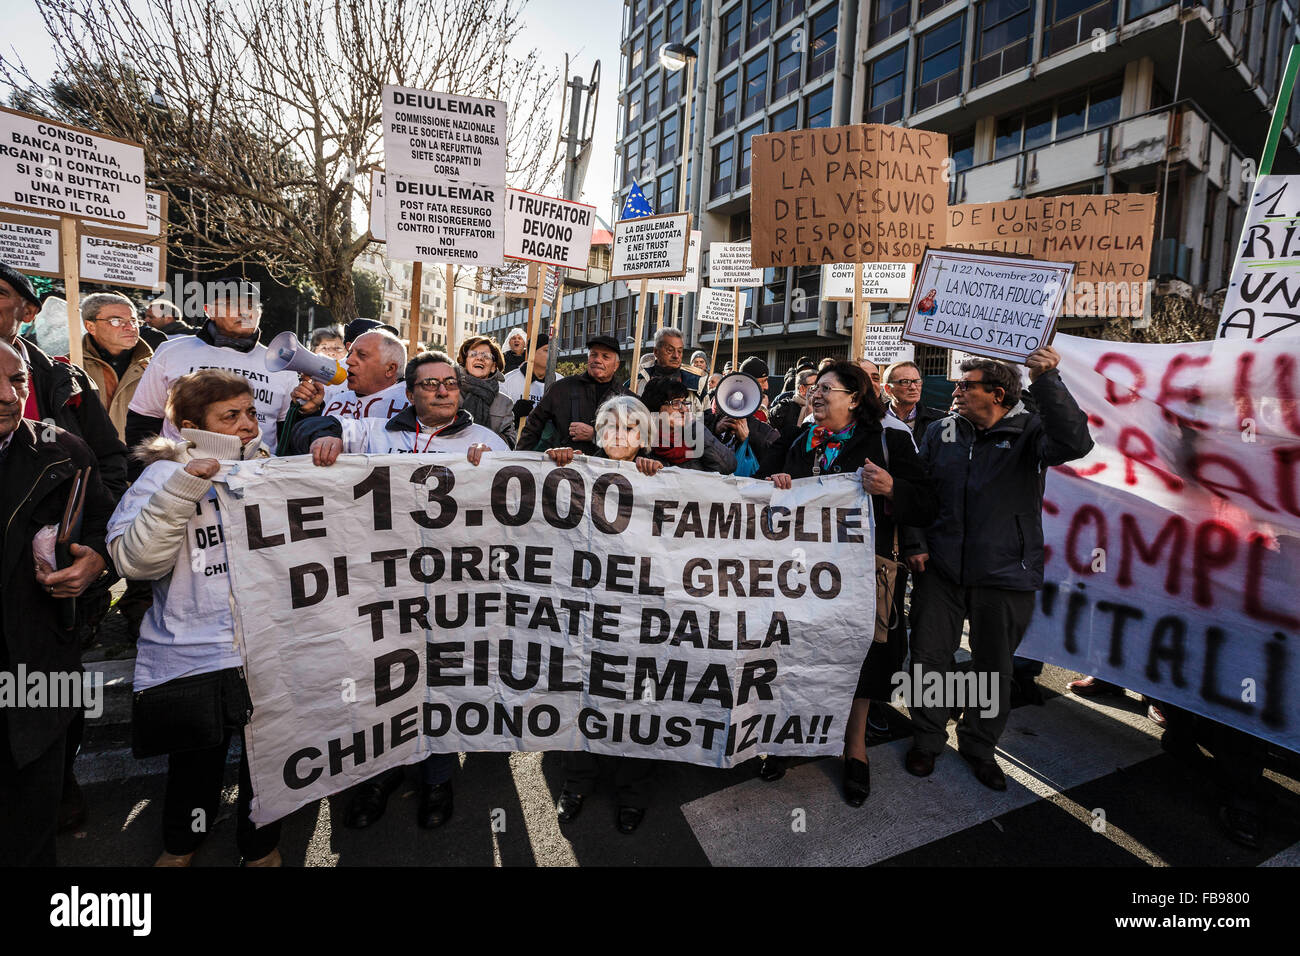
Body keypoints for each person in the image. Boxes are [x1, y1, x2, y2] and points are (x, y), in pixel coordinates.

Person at [308, 351, 507, 831]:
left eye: (450, 384)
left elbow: (517, 509)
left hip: (451, 590)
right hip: (381, 587)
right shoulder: (377, 433)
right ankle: (381, 775)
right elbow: (307, 435)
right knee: (385, 683)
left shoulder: (488, 441)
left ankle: (437, 778)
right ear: (409, 392)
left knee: (438, 684)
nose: (442, 391)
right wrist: (321, 433)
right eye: (430, 384)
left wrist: (489, 478)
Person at [107, 369, 282, 866]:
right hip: (193, 649)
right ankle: (181, 846)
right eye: (231, 416)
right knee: (194, 763)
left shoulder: (270, 471)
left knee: (266, 759)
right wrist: (186, 485)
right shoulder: (162, 476)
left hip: (264, 644)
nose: (248, 424)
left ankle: (261, 847)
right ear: (190, 426)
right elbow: (136, 563)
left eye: (251, 413)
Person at [903, 349, 1093, 790]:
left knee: (993, 668)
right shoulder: (940, 432)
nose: (957, 391)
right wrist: (915, 543)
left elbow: (1076, 443)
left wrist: (1047, 379)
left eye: (967, 385)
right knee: (928, 661)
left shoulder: (1031, 432)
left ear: (998, 394)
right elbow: (918, 490)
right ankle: (927, 740)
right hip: (941, 571)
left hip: (1006, 574)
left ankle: (978, 746)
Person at [758, 361, 938, 805]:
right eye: (813, 388)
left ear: (854, 398)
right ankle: (788, 738)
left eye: (826, 389)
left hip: (862, 573)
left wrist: (893, 486)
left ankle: (854, 748)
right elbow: (762, 489)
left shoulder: (889, 440)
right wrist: (776, 483)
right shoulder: (800, 441)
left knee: (859, 658)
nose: (815, 394)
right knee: (797, 653)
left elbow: (929, 502)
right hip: (801, 575)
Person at [3, 264, 127, 830]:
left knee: (49, 706)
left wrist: (97, 554)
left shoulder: (63, 384)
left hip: (47, 603)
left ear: (27, 311)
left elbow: (111, 470)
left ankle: (58, 786)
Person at [549, 394, 663, 833]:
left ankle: (633, 790)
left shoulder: (664, 478)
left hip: (639, 616)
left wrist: (660, 479)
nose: (620, 434)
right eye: (610, 426)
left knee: (638, 698)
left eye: (631, 427)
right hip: (583, 614)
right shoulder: (572, 467)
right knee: (583, 691)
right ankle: (577, 782)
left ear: (644, 435)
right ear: (597, 432)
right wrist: (553, 462)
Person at [126, 279, 297, 456]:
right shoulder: (171, 351)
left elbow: (289, 430)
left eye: (252, 306)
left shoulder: (281, 363)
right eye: (232, 305)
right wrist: (145, 470)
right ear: (210, 311)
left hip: (256, 475)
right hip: (182, 473)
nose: (245, 312)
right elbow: (143, 419)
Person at [286, 330, 410, 453]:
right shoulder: (338, 399)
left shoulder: (412, 404)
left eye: (362, 355)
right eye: (350, 353)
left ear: (390, 369)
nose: (348, 361)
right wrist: (309, 413)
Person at [518, 336, 632, 454]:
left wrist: (595, 435)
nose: (598, 360)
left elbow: (635, 442)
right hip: (563, 469)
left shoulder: (628, 400)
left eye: (605, 356)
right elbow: (533, 427)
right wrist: (521, 461)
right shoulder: (561, 388)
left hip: (608, 471)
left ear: (616, 365)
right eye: (593, 355)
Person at [79, 292, 153, 444]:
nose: (130, 327)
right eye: (116, 321)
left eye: (133, 320)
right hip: (88, 459)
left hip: (138, 461)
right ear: (91, 326)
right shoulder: (71, 365)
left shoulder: (154, 366)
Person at [641, 377, 735, 473]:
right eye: (676, 403)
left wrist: (696, 428)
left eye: (684, 403)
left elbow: (727, 467)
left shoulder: (695, 436)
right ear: (655, 409)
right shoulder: (640, 447)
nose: (684, 409)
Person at [456, 335, 515, 446]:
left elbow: (510, 442)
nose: (479, 358)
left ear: (493, 366)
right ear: (465, 362)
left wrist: (489, 445)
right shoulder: (450, 393)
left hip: (488, 460)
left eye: (486, 356)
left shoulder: (505, 402)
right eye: (473, 354)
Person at [631, 327, 706, 404]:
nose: (676, 356)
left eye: (680, 351)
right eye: (670, 350)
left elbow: (706, 415)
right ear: (656, 352)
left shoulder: (696, 387)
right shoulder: (636, 383)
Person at [502, 332, 559, 421]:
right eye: (547, 350)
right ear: (532, 353)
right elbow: (497, 422)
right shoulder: (508, 381)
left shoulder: (561, 382)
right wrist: (514, 415)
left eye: (555, 350)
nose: (552, 354)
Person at [882, 360, 943, 440]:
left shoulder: (939, 420)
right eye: (905, 382)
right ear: (888, 389)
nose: (913, 387)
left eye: (917, 381)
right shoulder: (873, 420)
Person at [768, 366, 817, 437]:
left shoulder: (824, 409)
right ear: (802, 389)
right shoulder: (783, 409)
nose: (819, 390)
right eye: (815, 386)